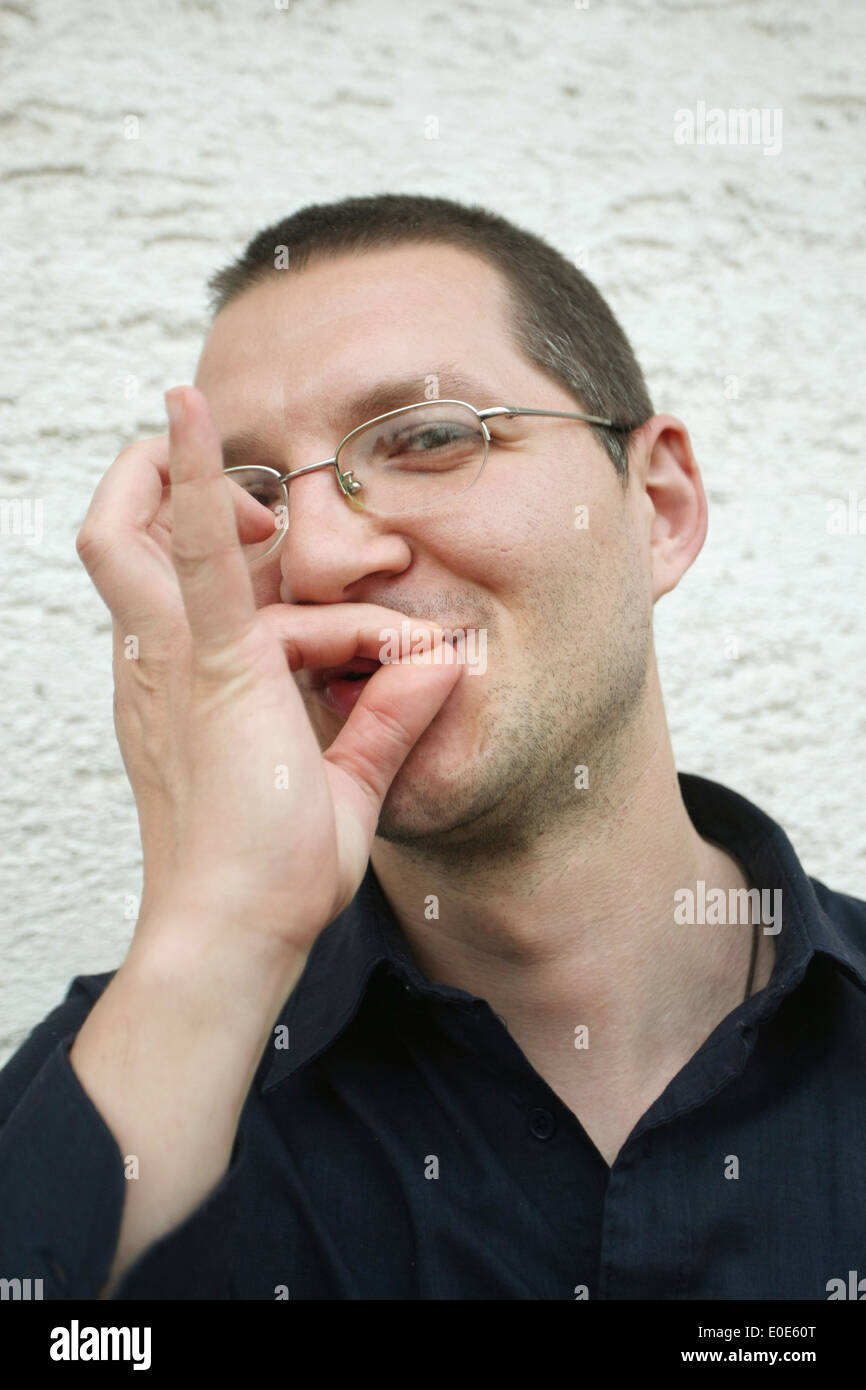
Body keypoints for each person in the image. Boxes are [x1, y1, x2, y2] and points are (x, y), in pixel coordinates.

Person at [1, 194, 863, 1301]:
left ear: (655, 504)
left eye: (427, 436)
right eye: (249, 495)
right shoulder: (123, 1073)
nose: (314, 555)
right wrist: (220, 935)